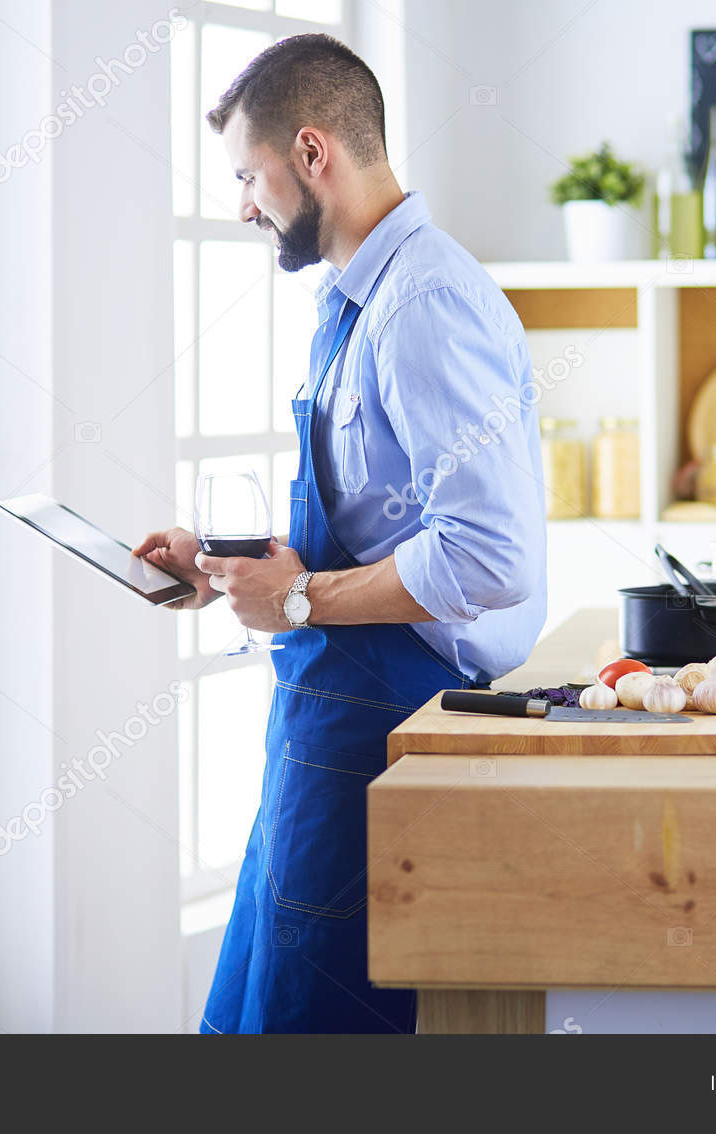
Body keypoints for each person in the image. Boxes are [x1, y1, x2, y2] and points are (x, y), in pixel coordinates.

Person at [134, 33, 546, 1034]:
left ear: (312, 154)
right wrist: (231, 568)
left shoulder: (423, 304)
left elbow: (489, 556)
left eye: (248, 174)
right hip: (325, 722)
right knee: (263, 1006)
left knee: (315, 1020)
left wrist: (303, 598)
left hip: (382, 723)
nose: (242, 204)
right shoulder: (356, 298)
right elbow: (380, 518)